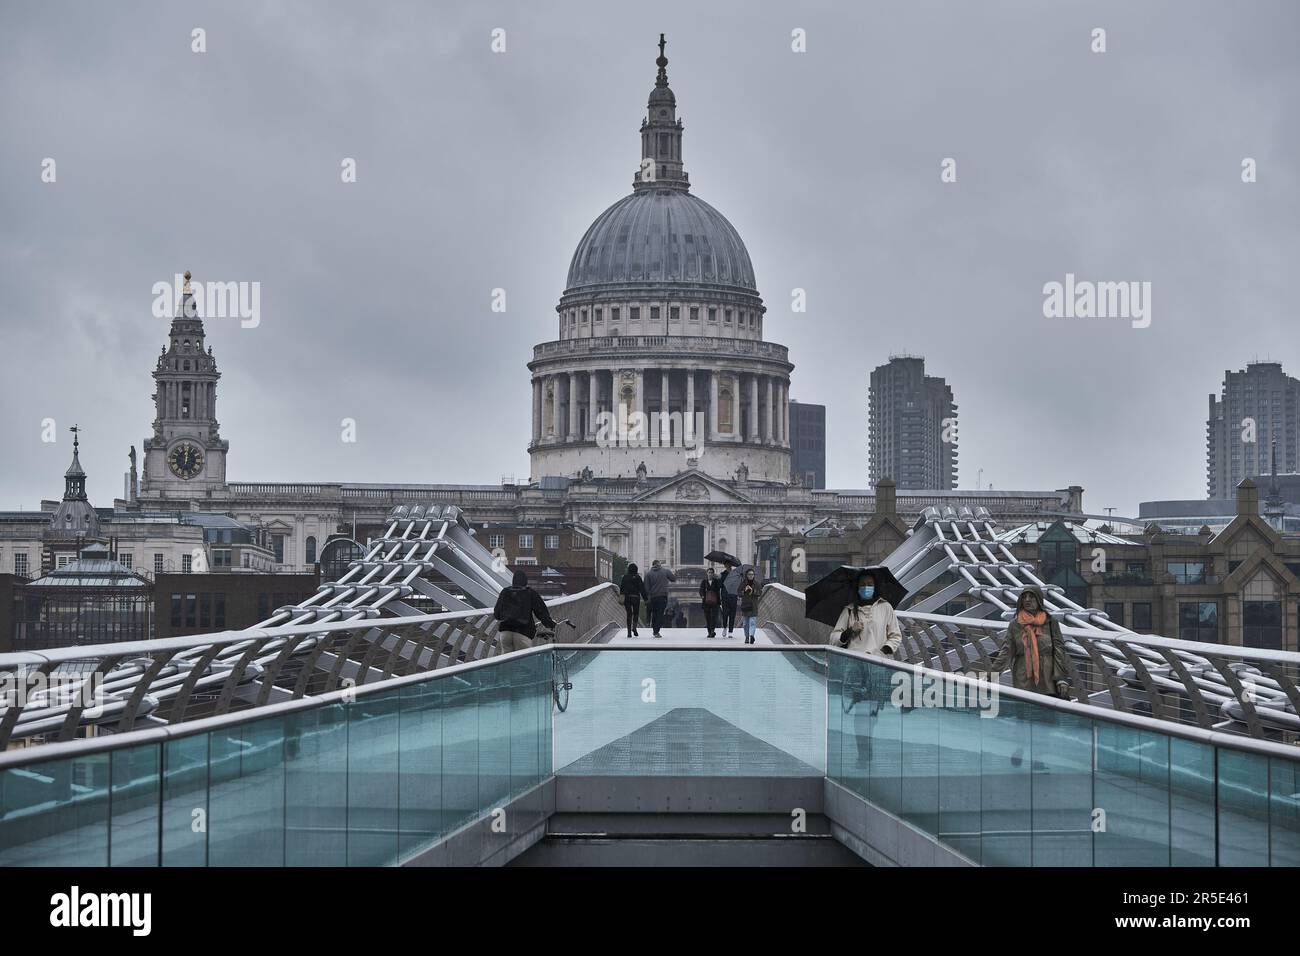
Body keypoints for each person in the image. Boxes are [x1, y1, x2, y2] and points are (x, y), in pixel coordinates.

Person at [985, 586, 1072, 699]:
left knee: (1049, 712)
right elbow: (1006, 653)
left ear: (1039, 600)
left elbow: (1059, 651)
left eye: (1031, 597)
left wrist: (1061, 679)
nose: (1027, 600)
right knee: (1025, 712)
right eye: (1024, 597)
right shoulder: (1015, 625)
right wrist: (990, 677)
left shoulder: (1051, 622)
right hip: (1024, 678)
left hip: (1048, 678)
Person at [827, 570, 902, 656]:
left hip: (878, 662)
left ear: (875, 587)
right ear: (857, 587)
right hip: (854, 660)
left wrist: (883, 651)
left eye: (870, 584)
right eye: (862, 584)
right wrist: (849, 632)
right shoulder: (849, 610)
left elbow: (895, 636)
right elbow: (833, 639)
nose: (866, 587)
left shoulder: (886, 607)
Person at [493, 568, 557, 654]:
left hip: (505, 632)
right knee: (523, 662)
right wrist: (549, 624)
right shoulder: (530, 593)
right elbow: (541, 612)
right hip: (522, 632)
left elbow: (497, 613)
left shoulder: (505, 592)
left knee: (508, 662)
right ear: (525, 581)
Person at [644, 559, 676, 638]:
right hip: (663, 596)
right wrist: (674, 573)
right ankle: (656, 631)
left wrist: (647, 598)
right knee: (660, 613)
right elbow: (673, 579)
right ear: (659, 564)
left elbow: (646, 588)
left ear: (652, 564)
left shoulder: (648, 574)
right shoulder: (665, 571)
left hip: (653, 597)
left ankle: (654, 628)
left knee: (654, 613)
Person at [619, 562, 648, 637]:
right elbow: (642, 589)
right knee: (635, 613)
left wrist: (621, 596)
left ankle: (629, 632)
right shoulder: (638, 577)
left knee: (629, 614)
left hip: (627, 597)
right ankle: (634, 628)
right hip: (635, 597)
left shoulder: (625, 577)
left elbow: (621, 588)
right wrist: (645, 599)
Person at [738, 567, 761, 644]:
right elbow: (739, 593)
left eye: (752, 574)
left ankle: (752, 636)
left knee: (752, 622)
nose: (751, 576)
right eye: (749, 574)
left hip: (753, 605)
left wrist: (753, 591)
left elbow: (760, 593)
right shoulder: (743, 583)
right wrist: (744, 591)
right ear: (746, 575)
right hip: (745, 605)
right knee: (745, 623)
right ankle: (747, 636)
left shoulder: (757, 584)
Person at [699, 567, 723, 638]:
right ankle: (709, 632)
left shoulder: (716, 581)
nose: (710, 574)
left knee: (714, 617)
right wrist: (702, 596)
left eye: (711, 573)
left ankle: (712, 630)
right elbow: (701, 590)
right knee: (707, 617)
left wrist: (720, 579)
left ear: (713, 574)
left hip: (715, 602)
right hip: (706, 602)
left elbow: (719, 587)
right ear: (707, 573)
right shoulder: (704, 581)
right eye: (709, 572)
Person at [718, 560, 739, 637]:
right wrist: (720, 579)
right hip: (725, 596)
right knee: (725, 614)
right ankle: (724, 627)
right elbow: (720, 586)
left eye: (729, 564)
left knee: (732, 614)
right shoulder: (722, 574)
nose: (727, 565)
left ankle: (730, 631)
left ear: (731, 565)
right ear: (725, 565)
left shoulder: (735, 574)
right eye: (726, 564)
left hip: (733, 596)